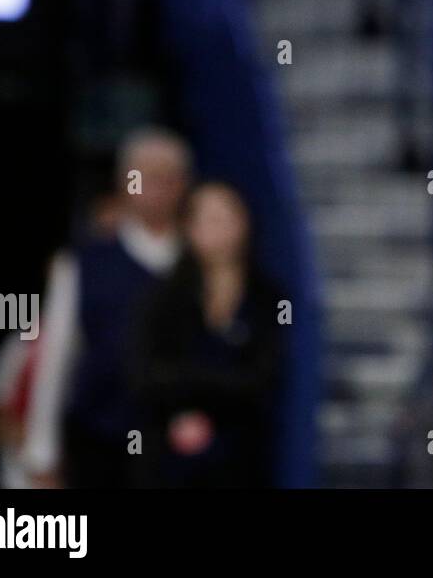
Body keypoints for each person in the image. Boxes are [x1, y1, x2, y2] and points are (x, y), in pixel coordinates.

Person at [21, 128, 191, 487]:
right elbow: (56, 357)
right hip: (100, 444)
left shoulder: (199, 265)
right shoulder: (83, 264)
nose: (156, 187)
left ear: (183, 185)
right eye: (143, 176)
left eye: (168, 177)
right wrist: (42, 451)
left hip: (179, 451)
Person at [130, 182, 282, 488]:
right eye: (208, 218)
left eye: (227, 217)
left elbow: (261, 380)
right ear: (189, 227)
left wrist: (195, 386)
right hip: (168, 460)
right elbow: (144, 375)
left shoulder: (270, 300)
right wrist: (186, 409)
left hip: (239, 462)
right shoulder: (162, 297)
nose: (219, 229)